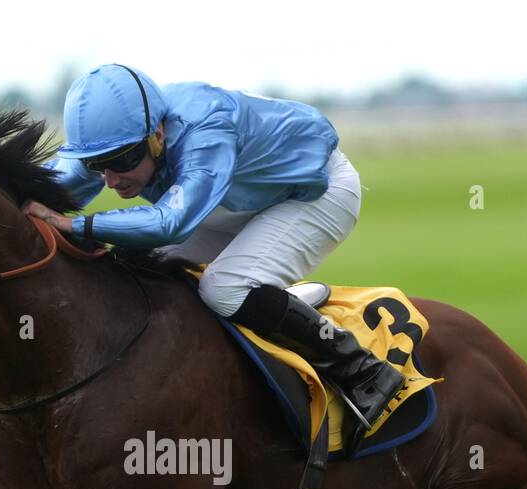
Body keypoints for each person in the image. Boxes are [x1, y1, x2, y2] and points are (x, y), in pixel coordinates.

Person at [24, 64, 403, 451]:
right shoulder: (123, 134)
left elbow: (172, 222)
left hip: (314, 193)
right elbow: (46, 189)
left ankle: (362, 370)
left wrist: (74, 226)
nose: (109, 178)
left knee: (224, 287)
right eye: (95, 164)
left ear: (157, 135)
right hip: (232, 202)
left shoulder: (205, 130)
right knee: (131, 264)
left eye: (121, 161)